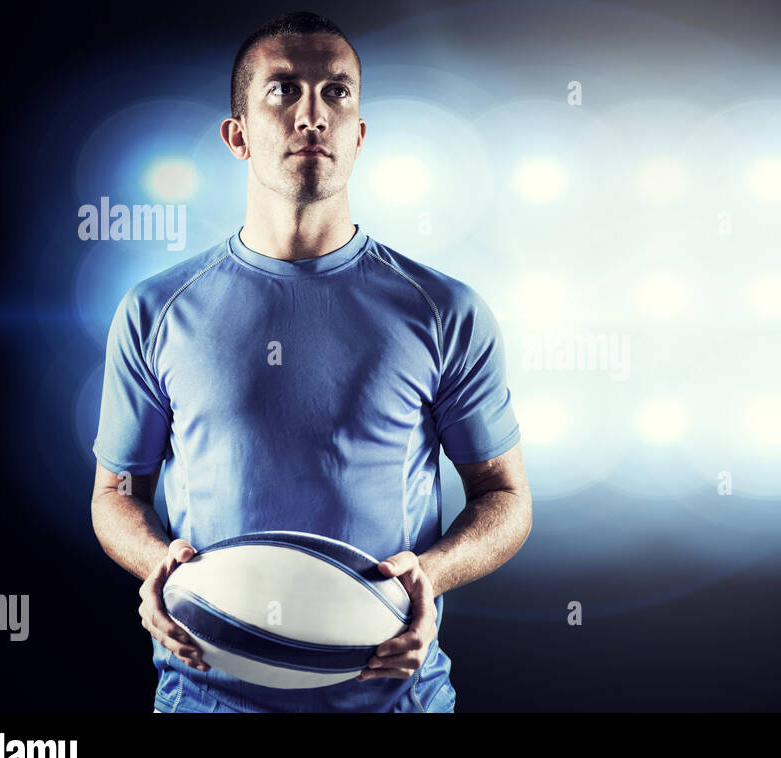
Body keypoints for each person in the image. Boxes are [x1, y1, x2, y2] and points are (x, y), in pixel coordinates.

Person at [89, 11, 531, 713]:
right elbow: (115, 495)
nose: (313, 115)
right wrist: (159, 567)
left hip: (396, 699)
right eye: (283, 91)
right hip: (207, 698)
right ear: (236, 135)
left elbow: (506, 497)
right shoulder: (156, 310)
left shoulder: (444, 309)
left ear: (359, 134)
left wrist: (431, 575)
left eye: (337, 93)